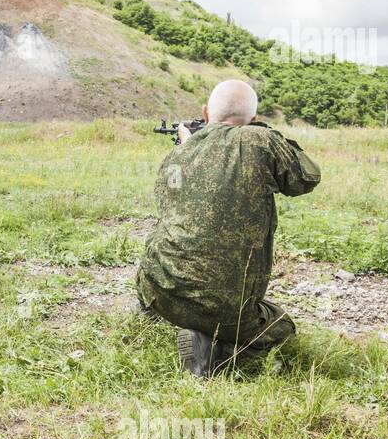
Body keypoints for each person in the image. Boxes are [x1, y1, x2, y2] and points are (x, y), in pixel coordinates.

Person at [136, 79, 322, 376]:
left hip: (159, 291)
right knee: (281, 326)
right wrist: (262, 134)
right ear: (253, 120)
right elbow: (307, 176)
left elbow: (175, 211)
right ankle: (216, 347)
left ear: (205, 112)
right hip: (226, 308)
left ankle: (161, 313)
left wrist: (192, 145)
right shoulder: (260, 141)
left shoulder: (175, 157)